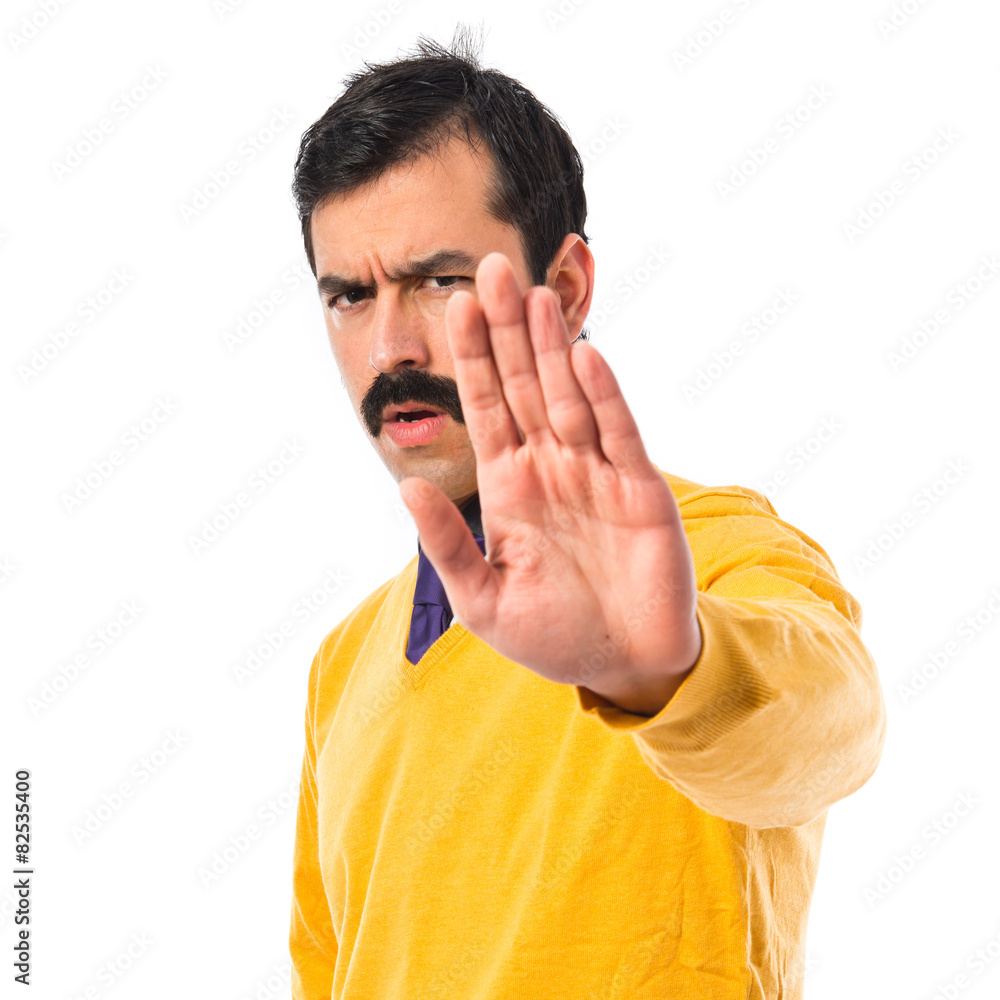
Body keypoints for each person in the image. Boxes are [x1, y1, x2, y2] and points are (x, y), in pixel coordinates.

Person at [287, 29, 886, 1000]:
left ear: (560, 290)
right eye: (348, 295)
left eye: (437, 280)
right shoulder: (341, 663)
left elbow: (835, 728)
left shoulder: (715, 556)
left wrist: (665, 668)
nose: (389, 343)